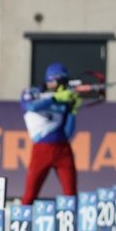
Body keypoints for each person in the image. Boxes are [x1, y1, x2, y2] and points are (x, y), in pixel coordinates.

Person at [19, 62, 94, 205]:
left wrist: (72, 110)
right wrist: (54, 98)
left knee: (71, 195)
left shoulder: (65, 99)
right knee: (29, 195)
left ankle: (72, 224)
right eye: (59, 82)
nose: (61, 86)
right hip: (41, 149)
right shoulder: (32, 93)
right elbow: (29, 106)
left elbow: (68, 133)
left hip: (63, 150)